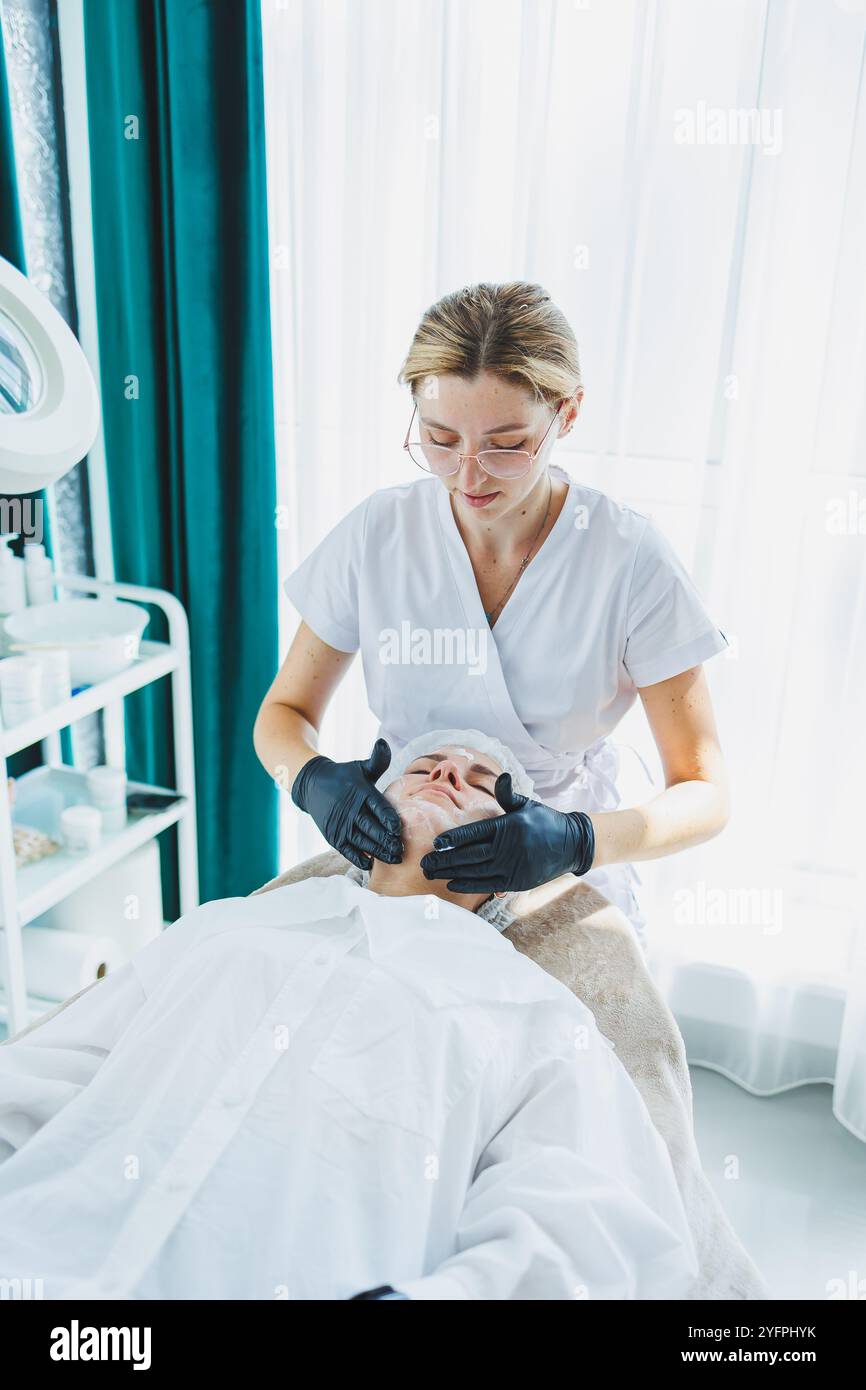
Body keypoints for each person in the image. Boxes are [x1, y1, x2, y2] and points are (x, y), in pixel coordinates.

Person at [0, 732, 698, 1301]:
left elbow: (588, 1220)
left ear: (518, 846)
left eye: (481, 782)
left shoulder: (533, 1015)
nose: (447, 770)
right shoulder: (228, 928)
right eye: (424, 765)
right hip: (40, 1248)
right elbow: (55, 1068)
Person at [254, 281, 731, 952]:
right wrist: (308, 780)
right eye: (439, 438)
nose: (468, 475)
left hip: (557, 878)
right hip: (403, 867)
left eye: (507, 444)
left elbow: (705, 794)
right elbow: (283, 715)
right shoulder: (379, 534)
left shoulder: (627, 559)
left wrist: (580, 839)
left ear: (567, 414)